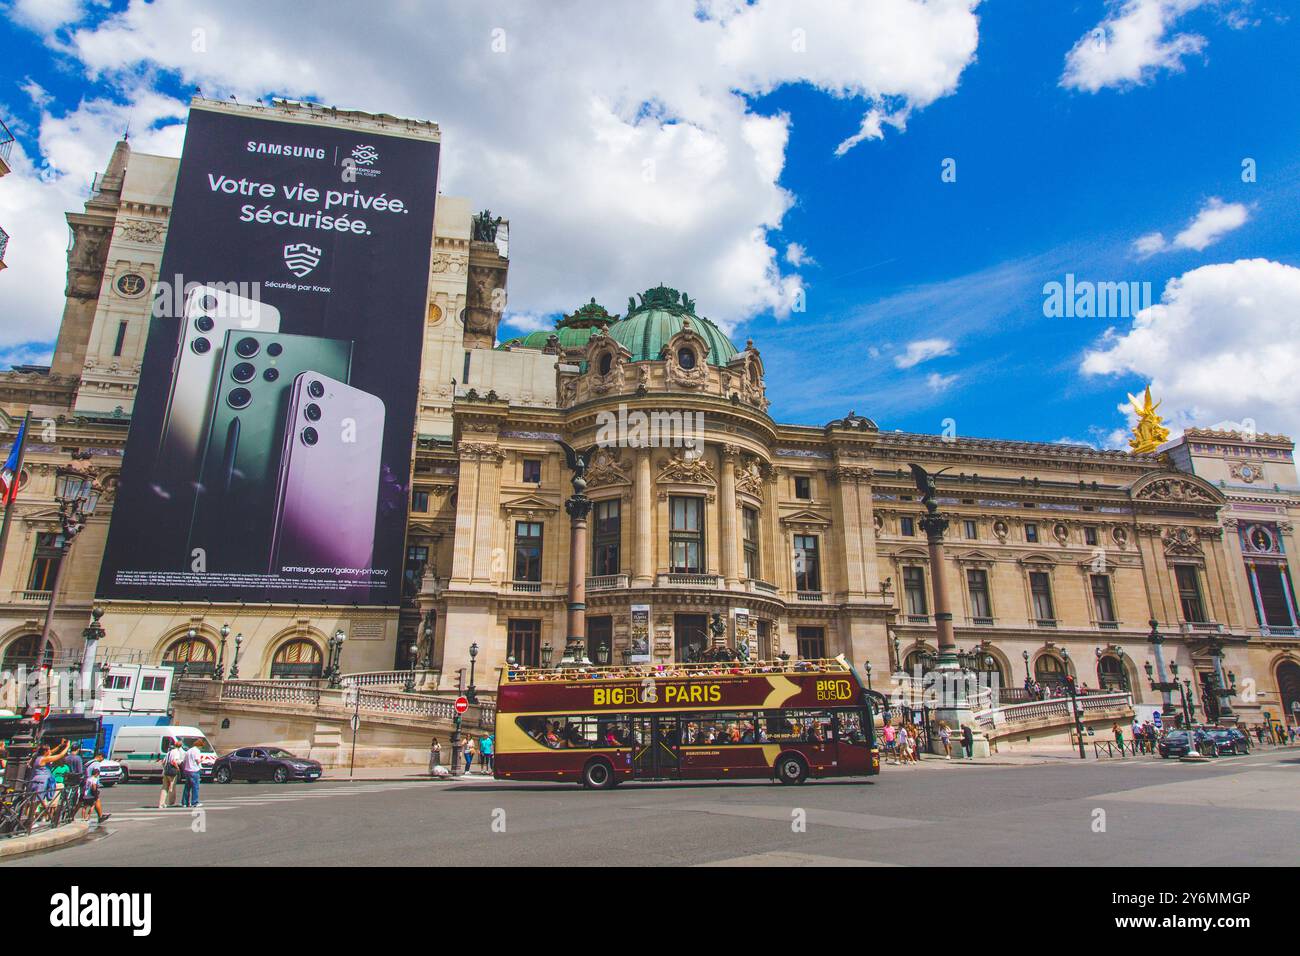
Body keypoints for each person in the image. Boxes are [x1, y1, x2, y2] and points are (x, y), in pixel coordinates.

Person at [82, 754, 111, 825]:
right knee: (95, 801)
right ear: (100, 756)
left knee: (83, 804)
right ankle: (98, 816)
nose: (102, 760)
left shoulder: (88, 762)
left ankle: (76, 816)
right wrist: (97, 787)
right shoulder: (96, 763)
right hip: (91, 787)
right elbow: (96, 775)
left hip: (85, 785)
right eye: (102, 758)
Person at [160, 738, 184, 809]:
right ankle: (171, 802)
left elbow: (163, 762)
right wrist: (178, 768)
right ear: (180, 747)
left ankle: (161, 803)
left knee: (164, 787)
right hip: (172, 771)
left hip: (166, 772)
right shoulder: (176, 752)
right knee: (172, 787)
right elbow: (174, 761)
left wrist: (165, 768)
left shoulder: (169, 752)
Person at [179, 738, 203, 808]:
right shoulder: (197, 751)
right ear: (199, 745)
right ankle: (194, 802)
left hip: (187, 770)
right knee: (195, 787)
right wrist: (202, 760)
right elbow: (197, 761)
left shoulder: (189, 751)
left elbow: (184, 761)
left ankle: (185, 802)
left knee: (187, 787)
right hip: (194, 770)